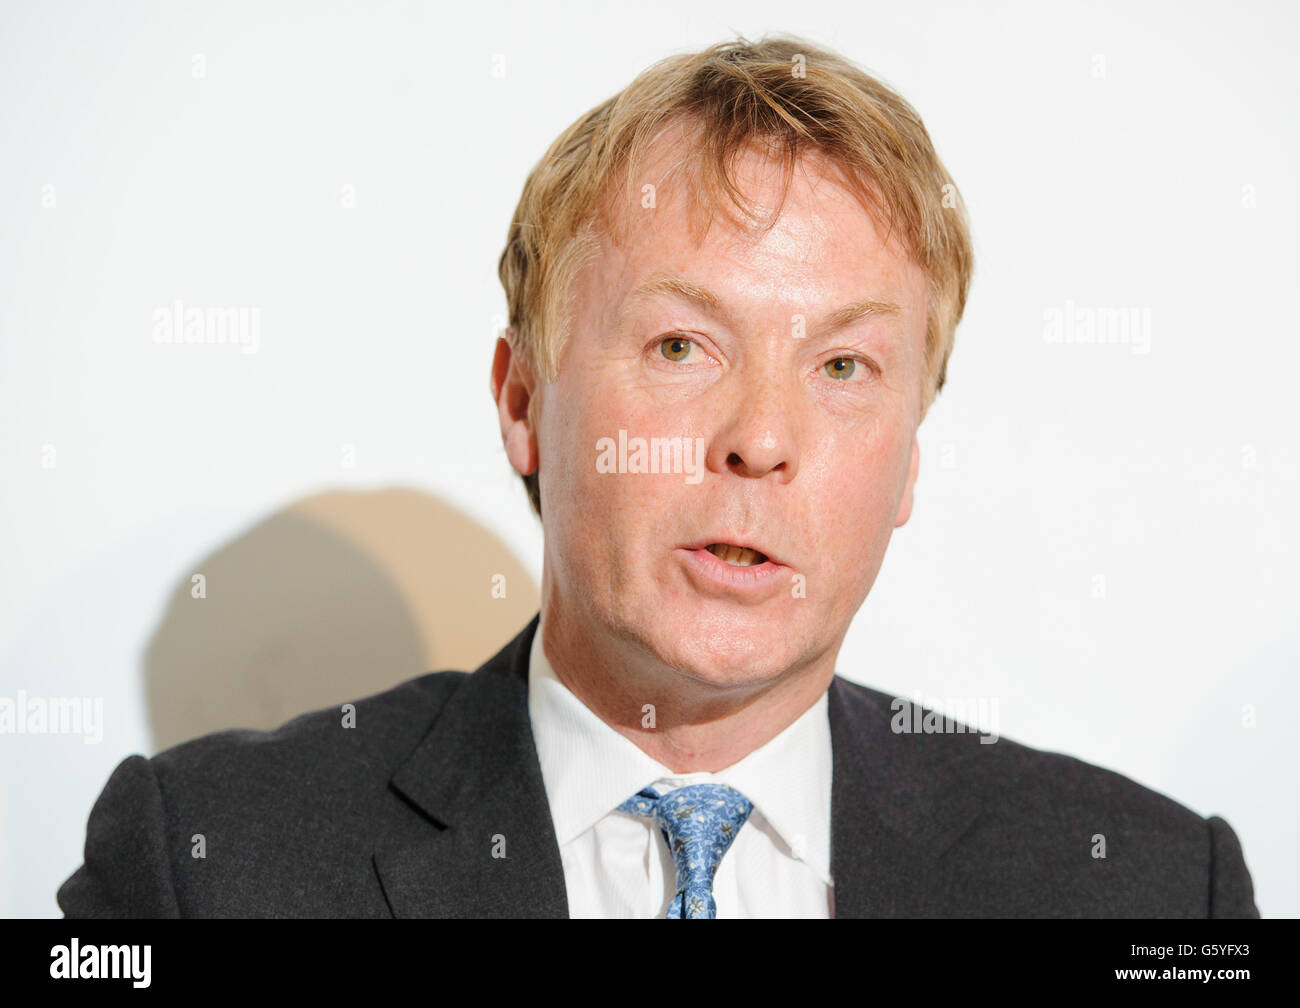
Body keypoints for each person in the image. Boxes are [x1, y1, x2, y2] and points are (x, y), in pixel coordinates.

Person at [59, 35, 1259, 918]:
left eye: (844, 364)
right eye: (683, 346)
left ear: (906, 461)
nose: (762, 439)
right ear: (524, 402)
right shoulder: (204, 865)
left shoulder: (1148, 892)